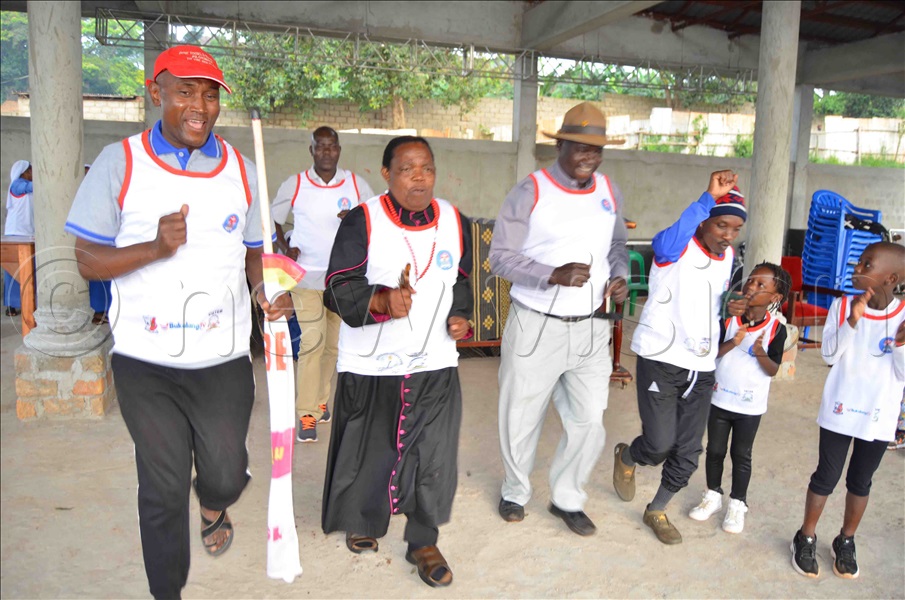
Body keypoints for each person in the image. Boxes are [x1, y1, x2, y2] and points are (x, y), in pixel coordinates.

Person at [64, 45, 291, 600]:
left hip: (223, 356)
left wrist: (268, 290)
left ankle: (214, 502)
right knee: (163, 487)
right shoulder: (121, 163)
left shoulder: (244, 169)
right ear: (155, 91)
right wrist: (152, 248)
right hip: (146, 359)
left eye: (209, 93)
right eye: (185, 90)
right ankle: (167, 591)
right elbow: (88, 259)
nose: (200, 105)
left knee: (224, 471)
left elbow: (257, 252)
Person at [321, 136, 472, 588]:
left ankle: (423, 540)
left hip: (435, 362)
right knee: (373, 448)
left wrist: (460, 315)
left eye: (426, 167)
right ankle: (365, 519)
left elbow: (460, 280)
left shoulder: (453, 220)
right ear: (386, 174)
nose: (419, 176)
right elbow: (337, 287)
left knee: (432, 455)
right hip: (374, 363)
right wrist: (383, 300)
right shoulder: (362, 220)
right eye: (407, 168)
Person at [489, 101, 629, 536]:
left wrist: (620, 277)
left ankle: (567, 498)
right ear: (560, 144)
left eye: (597, 149)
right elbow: (499, 258)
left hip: (591, 327)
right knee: (521, 414)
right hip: (537, 323)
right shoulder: (530, 190)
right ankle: (515, 491)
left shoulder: (609, 190)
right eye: (581, 148)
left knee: (589, 418)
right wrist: (551, 274)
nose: (589, 157)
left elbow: (617, 249)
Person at [613, 171, 747, 545]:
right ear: (704, 219)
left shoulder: (729, 257)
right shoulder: (676, 247)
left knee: (688, 451)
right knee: (658, 444)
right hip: (661, 358)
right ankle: (628, 456)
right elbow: (663, 241)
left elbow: (709, 300)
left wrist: (730, 307)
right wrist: (707, 197)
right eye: (722, 225)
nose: (728, 235)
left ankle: (657, 508)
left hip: (701, 367)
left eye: (735, 229)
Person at [790, 241, 905, 580]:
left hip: (878, 415)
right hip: (840, 409)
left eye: (867, 265)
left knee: (860, 481)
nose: (857, 269)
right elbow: (828, 356)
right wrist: (851, 322)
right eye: (859, 261)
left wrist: (900, 344)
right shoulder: (842, 306)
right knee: (826, 475)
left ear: (891, 277)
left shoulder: (903, 317)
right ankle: (806, 537)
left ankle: (846, 540)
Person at [271, 126, 375, 443]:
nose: (326, 152)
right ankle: (306, 415)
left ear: (339, 150)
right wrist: (283, 246)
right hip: (305, 275)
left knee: (332, 346)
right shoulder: (297, 183)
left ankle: (319, 400)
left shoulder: (357, 184)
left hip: (342, 277)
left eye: (332, 147)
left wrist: (355, 217)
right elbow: (272, 219)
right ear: (311, 150)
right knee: (312, 344)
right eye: (320, 147)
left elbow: (375, 218)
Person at [687, 262, 790, 534]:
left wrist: (760, 352)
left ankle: (737, 503)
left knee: (741, 454)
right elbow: (712, 354)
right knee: (715, 450)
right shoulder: (729, 321)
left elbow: (773, 370)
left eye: (760, 285)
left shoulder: (777, 330)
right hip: (719, 400)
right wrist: (733, 341)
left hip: (749, 406)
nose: (750, 287)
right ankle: (713, 495)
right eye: (750, 281)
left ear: (775, 298)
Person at [3, 160, 34, 317]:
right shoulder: (17, 184)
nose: (33, 174)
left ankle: (25, 302)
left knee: (26, 271)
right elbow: (30, 187)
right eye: (31, 171)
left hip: (26, 233)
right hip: (15, 234)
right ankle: (11, 305)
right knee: (12, 271)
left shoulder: (25, 185)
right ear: (24, 172)